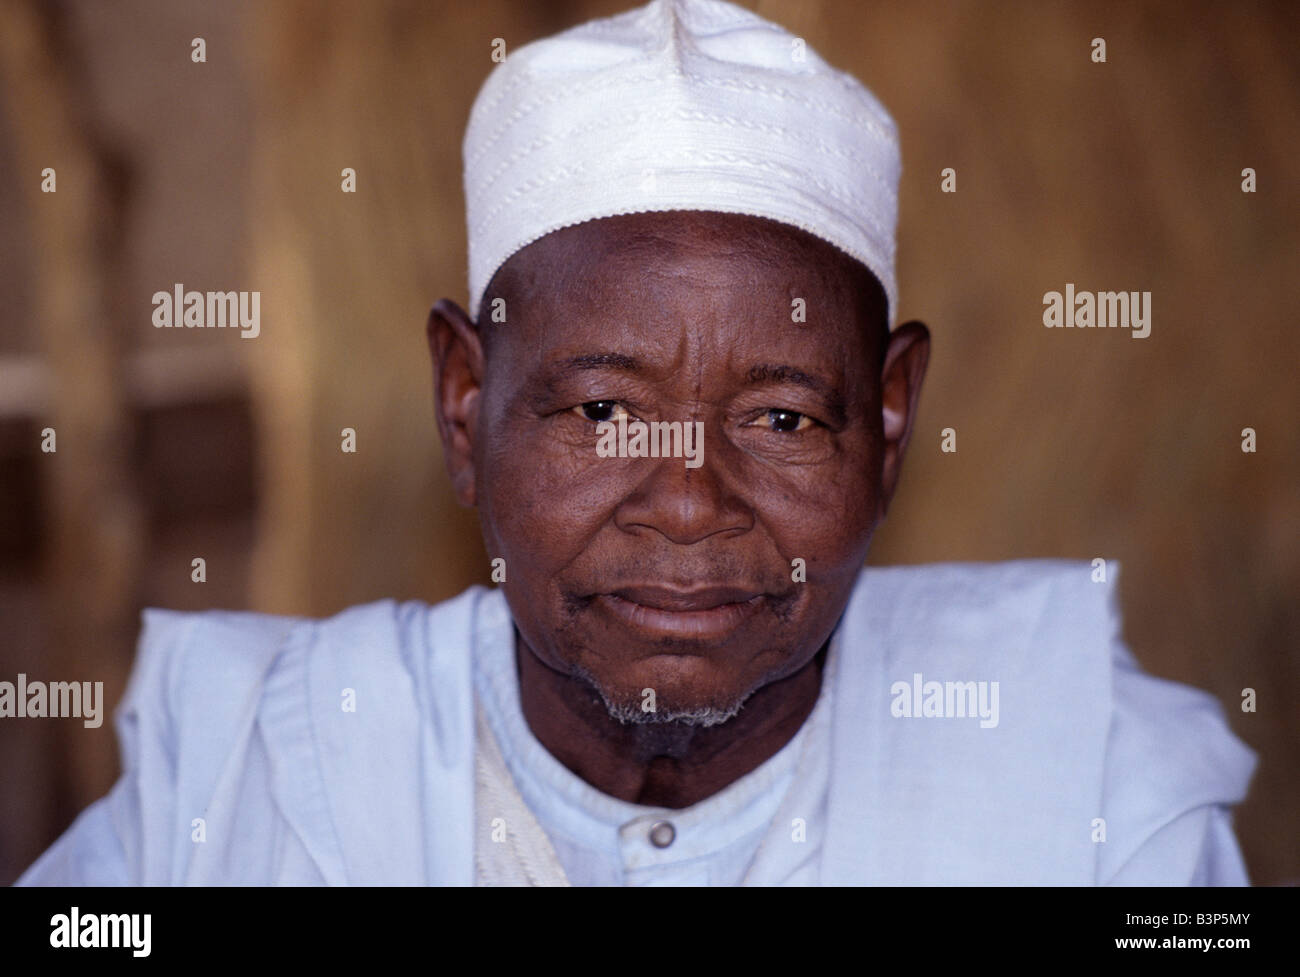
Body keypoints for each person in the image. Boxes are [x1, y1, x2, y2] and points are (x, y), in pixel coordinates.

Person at [19, 0, 1254, 886]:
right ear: (464, 403)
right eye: (603, 410)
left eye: (780, 417)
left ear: (886, 420)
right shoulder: (244, 790)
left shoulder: (1089, 792)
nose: (685, 502)